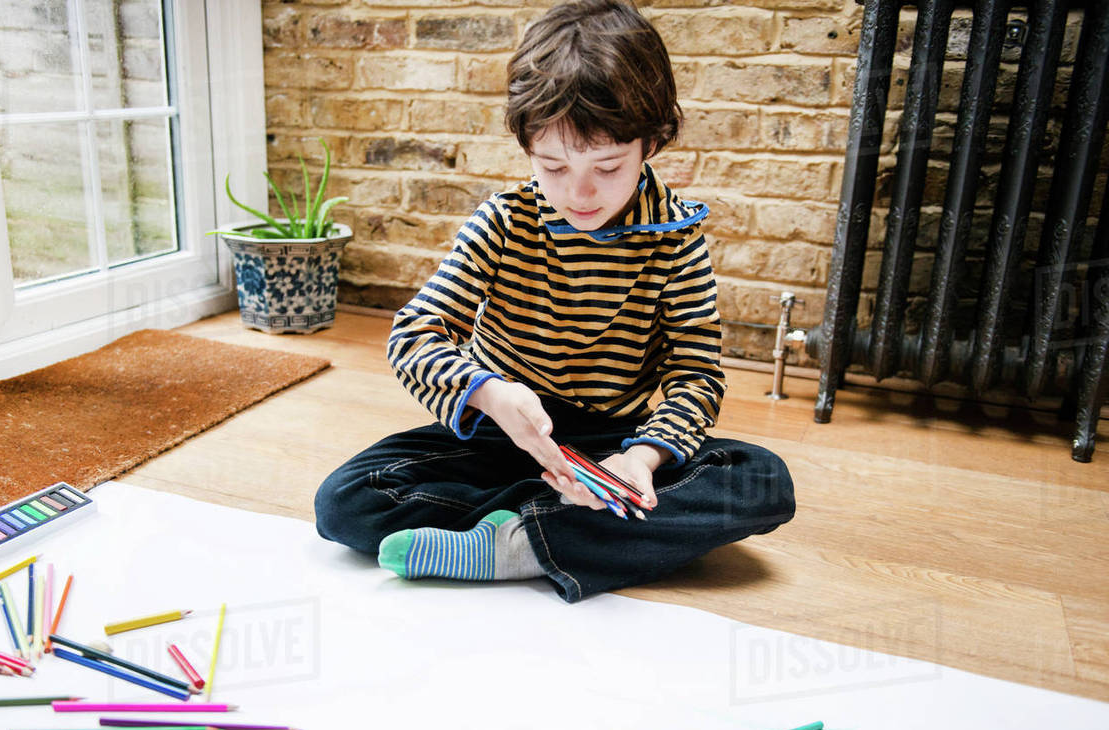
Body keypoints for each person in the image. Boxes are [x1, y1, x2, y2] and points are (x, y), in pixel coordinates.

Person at [314, 0, 795, 603]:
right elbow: (414, 333)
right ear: (527, 150)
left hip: (616, 444)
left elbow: (696, 374)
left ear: (652, 141)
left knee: (763, 484)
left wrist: (642, 460)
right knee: (346, 501)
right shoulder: (505, 222)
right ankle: (566, 525)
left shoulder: (675, 236)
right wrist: (489, 392)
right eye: (554, 167)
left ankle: (517, 542)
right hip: (504, 435)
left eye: (608, 166)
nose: (581, 193)